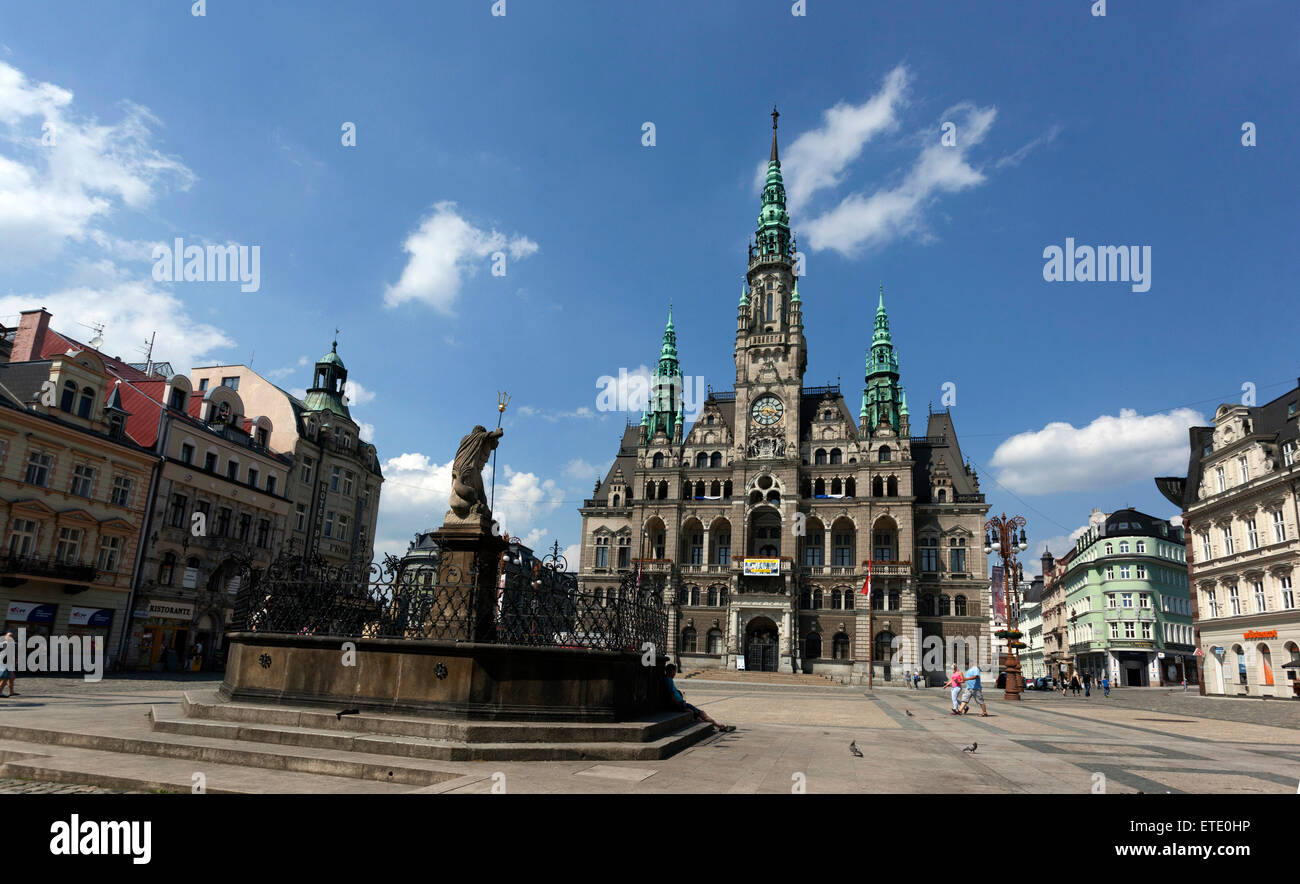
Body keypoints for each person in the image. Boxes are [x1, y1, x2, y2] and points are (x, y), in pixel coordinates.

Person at [664, 664, 735, 733]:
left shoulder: (667, 679)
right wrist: (681, 708)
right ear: (672, 671)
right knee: (702, 714)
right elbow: (671, 696)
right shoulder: (669, 680)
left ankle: (719, 726)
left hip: (682, 704)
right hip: (681, 705)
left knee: (700, 715)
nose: (675, 674)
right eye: (675, 671)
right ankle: (720, 726)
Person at [0, 632, 15, 697]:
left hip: (9, 663)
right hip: (4, 663)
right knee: (4, 678)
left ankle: (11, 692)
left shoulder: (13, 644)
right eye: (9, 636)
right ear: (5, 637)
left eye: (11, 636)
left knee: (10, 677)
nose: (10, 637)